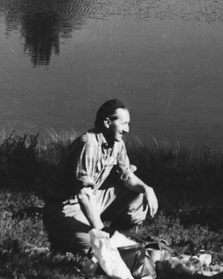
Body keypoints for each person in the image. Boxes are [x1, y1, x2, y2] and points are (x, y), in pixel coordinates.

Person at [42, 99, 159, 255]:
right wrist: (100, 229)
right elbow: (83, 194)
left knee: (139, 196)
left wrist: (147, 189)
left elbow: (127, 176)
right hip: (64, 208)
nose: (127, 129)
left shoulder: (117, 143)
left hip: (92, 198)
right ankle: (61, 238)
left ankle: (119, 240)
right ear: (107, 122)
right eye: (123, 124)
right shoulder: (88, 144)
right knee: (95, 248)